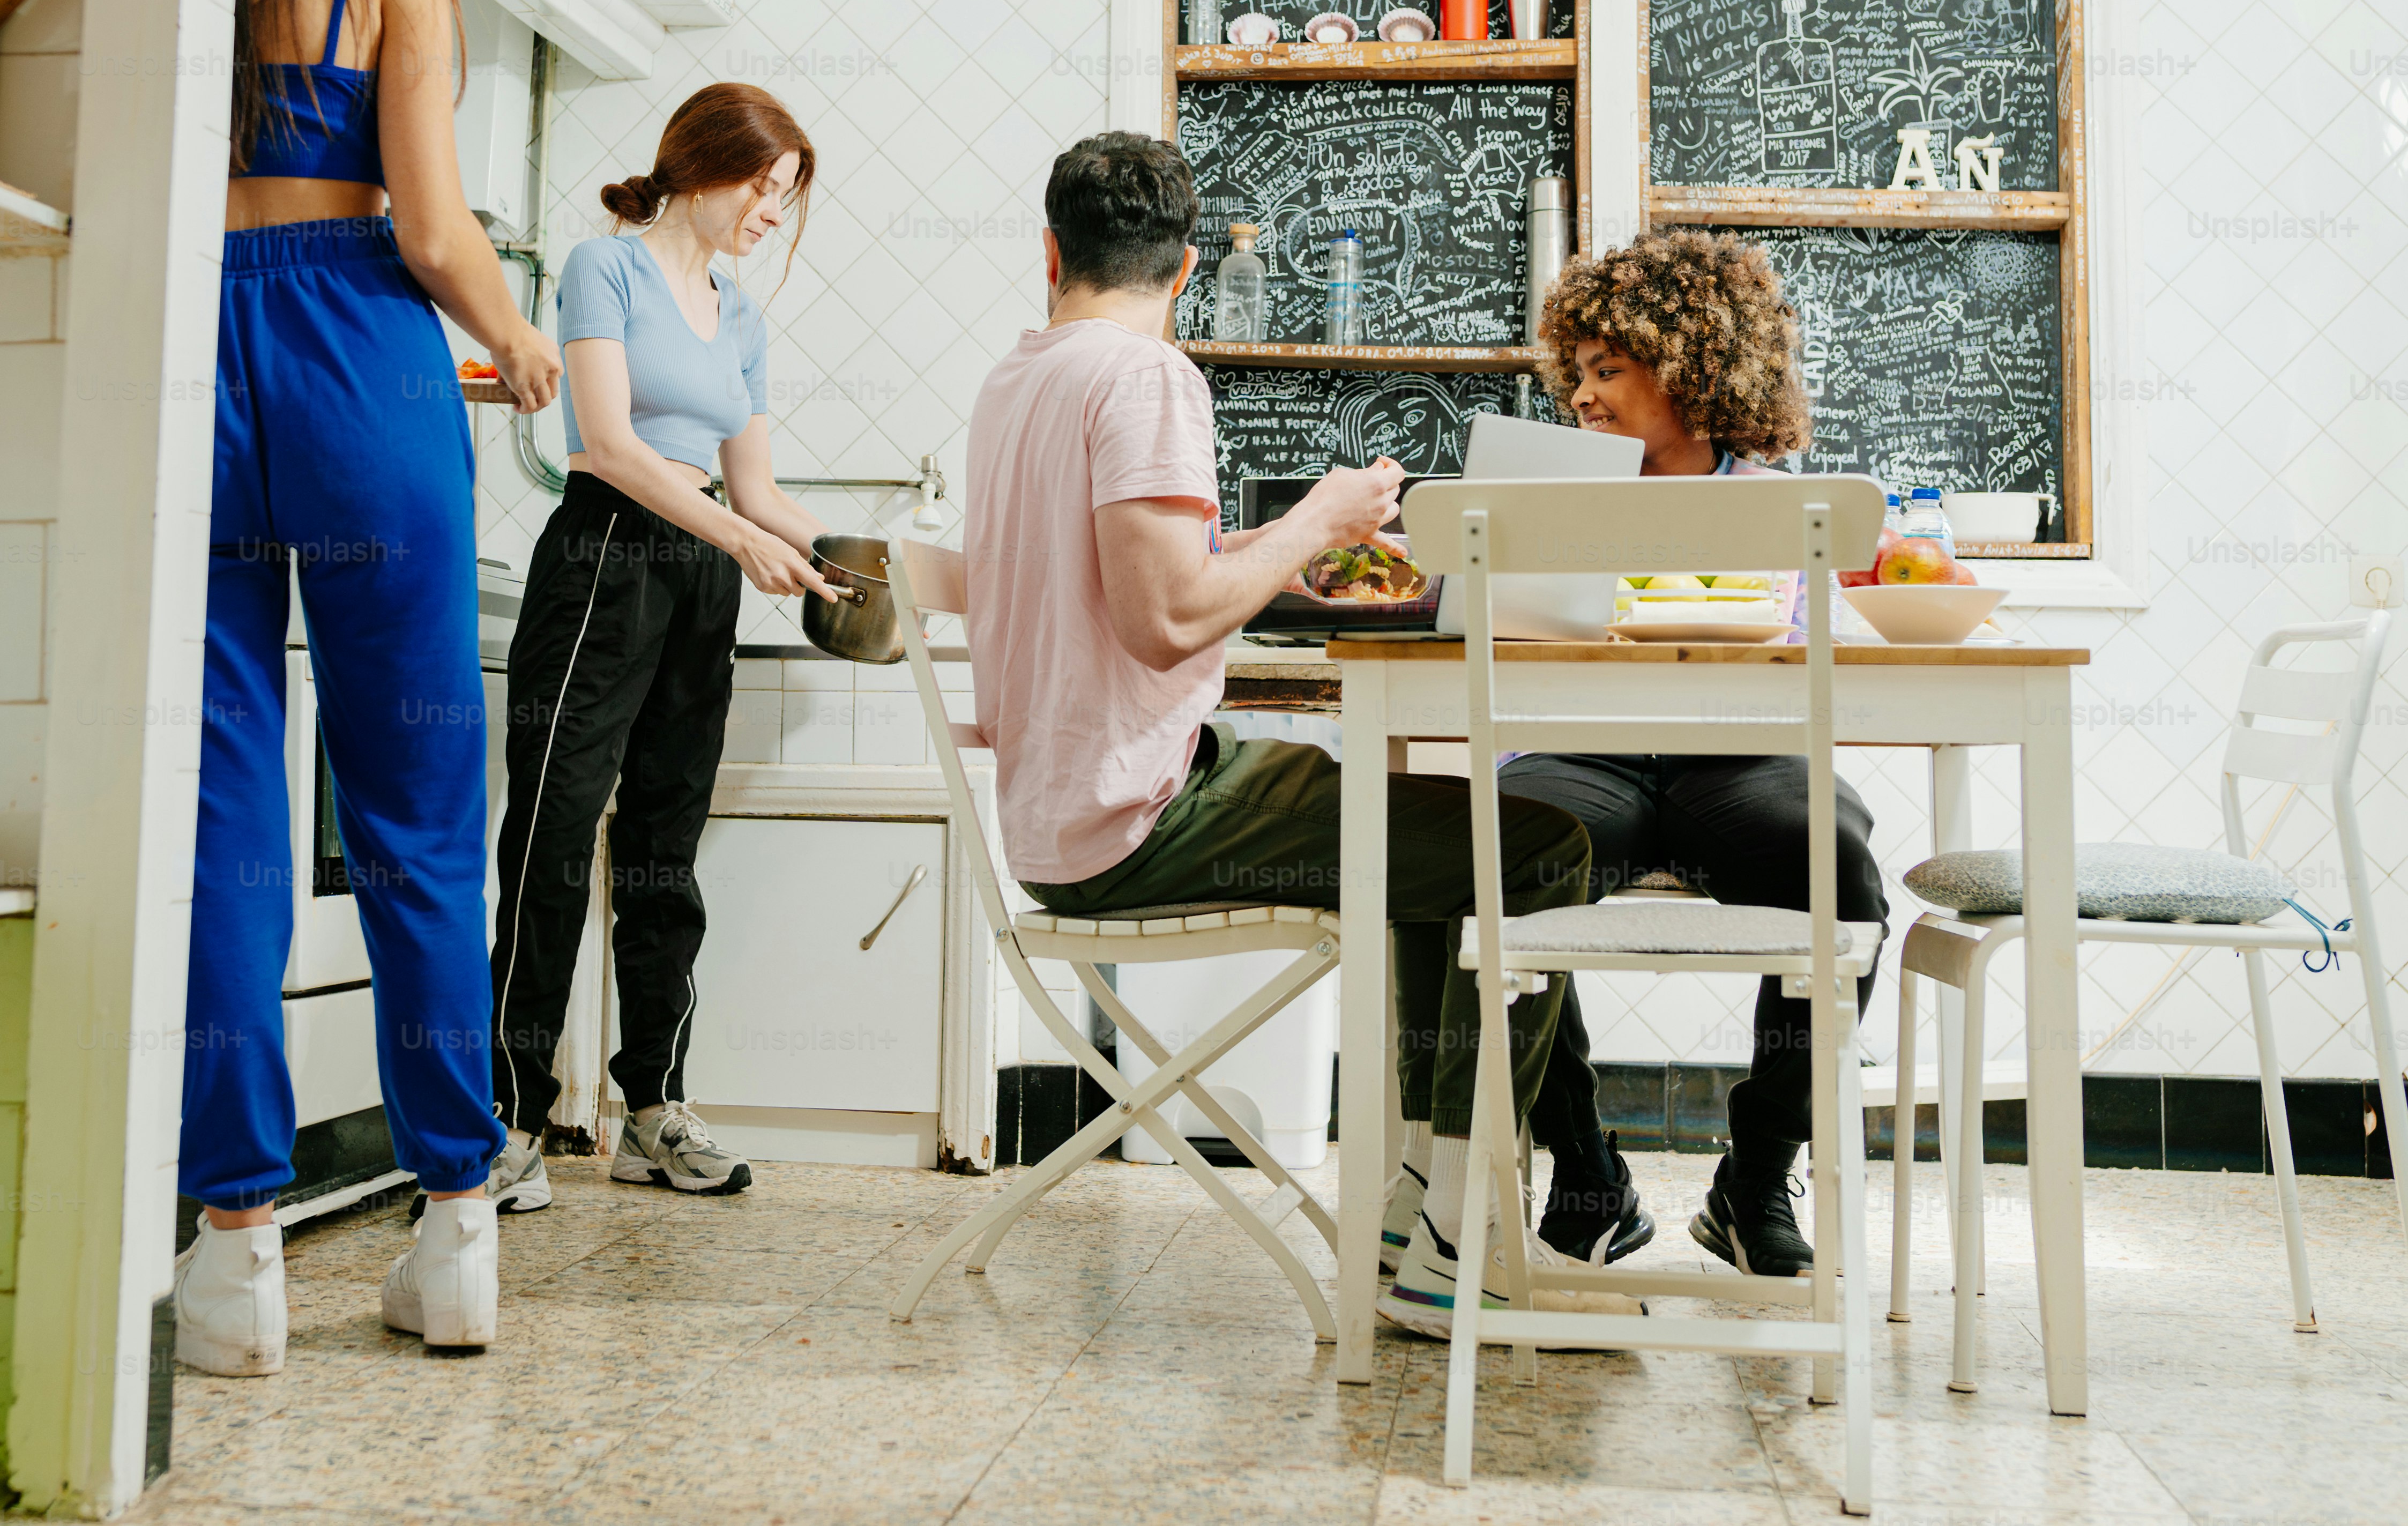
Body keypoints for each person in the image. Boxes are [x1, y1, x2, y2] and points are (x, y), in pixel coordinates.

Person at [965, 132, 1604, 1340]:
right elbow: (1164, 622)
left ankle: (1406, 1206)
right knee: (1538, 849)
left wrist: (1264, 562)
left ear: (1049, 253)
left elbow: (1128, 592)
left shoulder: (1018, 378)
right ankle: (1452, 1249)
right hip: (1131, 828)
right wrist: (1321, 515)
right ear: (1190, 267)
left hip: (1060, 813)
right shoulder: (1147, 380)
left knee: (1421, 838)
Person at [176, 0, 565, 1373]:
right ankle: (456, 1229)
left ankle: (233, 1255)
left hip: (195, 354)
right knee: (416, 803)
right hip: (365, 371)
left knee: (221, 802)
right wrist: (519, 335)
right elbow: (430, 230)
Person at [1499, 229, 1890, 1280]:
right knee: (1492, 847)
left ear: (1692, 365)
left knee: (1841, 863)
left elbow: (1825, 653)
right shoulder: (1547, 495)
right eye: (1574, 372)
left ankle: (1757, 1177)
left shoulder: (1787, 503)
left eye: (1607, 370)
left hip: (1739, 761)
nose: (1581, 394)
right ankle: (1586, 1175)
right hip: (1590, 755)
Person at [486, 83, 842, 1210]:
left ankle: (653, 1105)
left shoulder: (740, 312)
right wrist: (740, 537)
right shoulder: (608, 268)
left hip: (697, 579)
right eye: (762, 186)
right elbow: (607, 441)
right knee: (549, 837)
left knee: (662, 851)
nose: (770, 213)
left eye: (785, 198)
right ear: (699, 164)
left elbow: (759, 489)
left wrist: (860, 561)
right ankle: (505, 1120)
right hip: (605, 558)